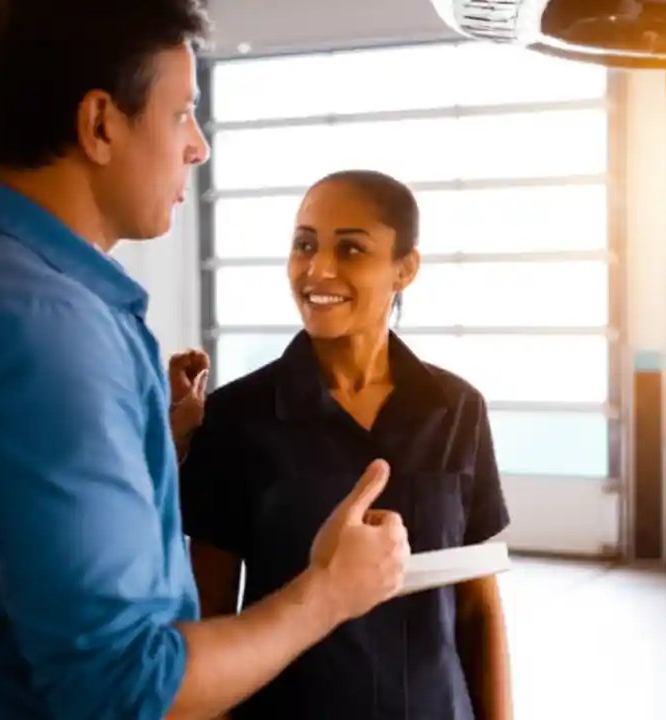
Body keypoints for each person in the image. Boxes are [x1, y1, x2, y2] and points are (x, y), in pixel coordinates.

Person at [0, 2, 409, 719]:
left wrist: (147, 442)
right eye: (182, 112)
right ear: (100, 124)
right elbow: (125, 690)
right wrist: (328, 593)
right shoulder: (45, 334)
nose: (199, 147)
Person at [180, 170, 514, 719]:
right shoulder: (235, 419)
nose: (318, 269)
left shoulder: (459, 411)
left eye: (351, 249)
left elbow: (479, 609)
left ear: (405, 268)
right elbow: (209, 612)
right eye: (305, 245)